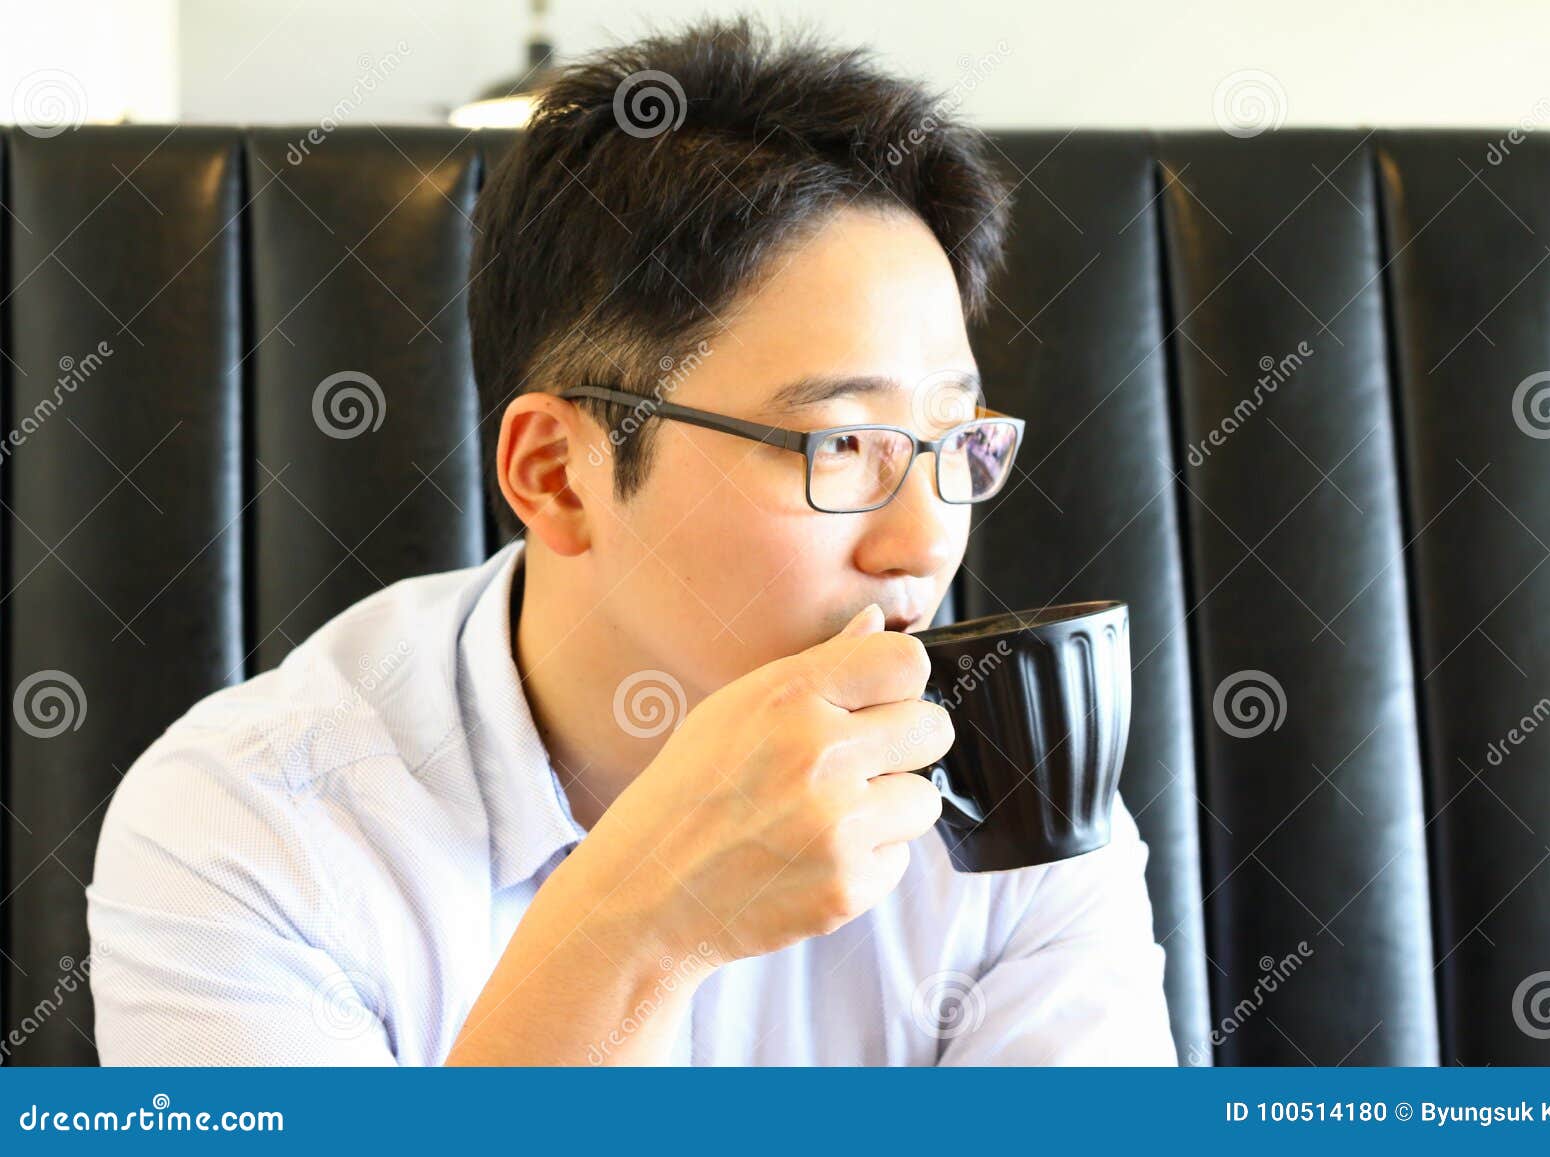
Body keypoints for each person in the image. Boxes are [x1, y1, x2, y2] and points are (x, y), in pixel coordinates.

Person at [86, 14, 1177, 1066]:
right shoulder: (248, 826)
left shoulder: (1015, 795)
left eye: (952, 438)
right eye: (841, 442)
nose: (925, 541)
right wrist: (649, 922)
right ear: (558, 475)